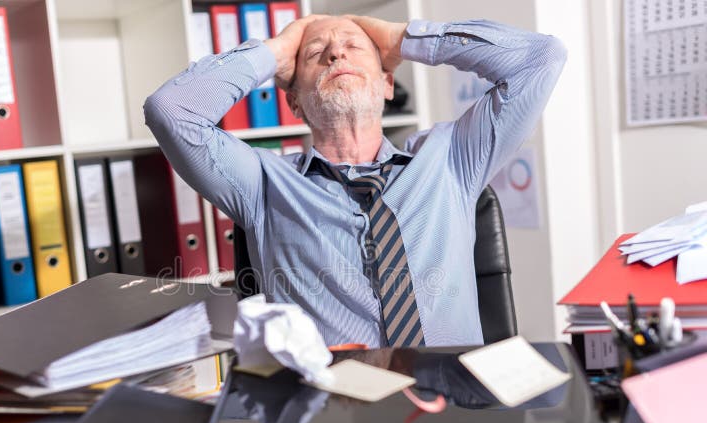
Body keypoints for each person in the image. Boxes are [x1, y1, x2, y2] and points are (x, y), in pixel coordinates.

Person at [144, 15, 566, 348]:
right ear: (294, 102)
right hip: (332, 414)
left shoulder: (452, 157)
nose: (336, 54)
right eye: (316, 54)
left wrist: (402, 39)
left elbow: (541, 58)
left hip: (453, 407)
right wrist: (277, 49)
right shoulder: (262, 183)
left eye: (354, 47)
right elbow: (171, 110)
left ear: (387, 83)